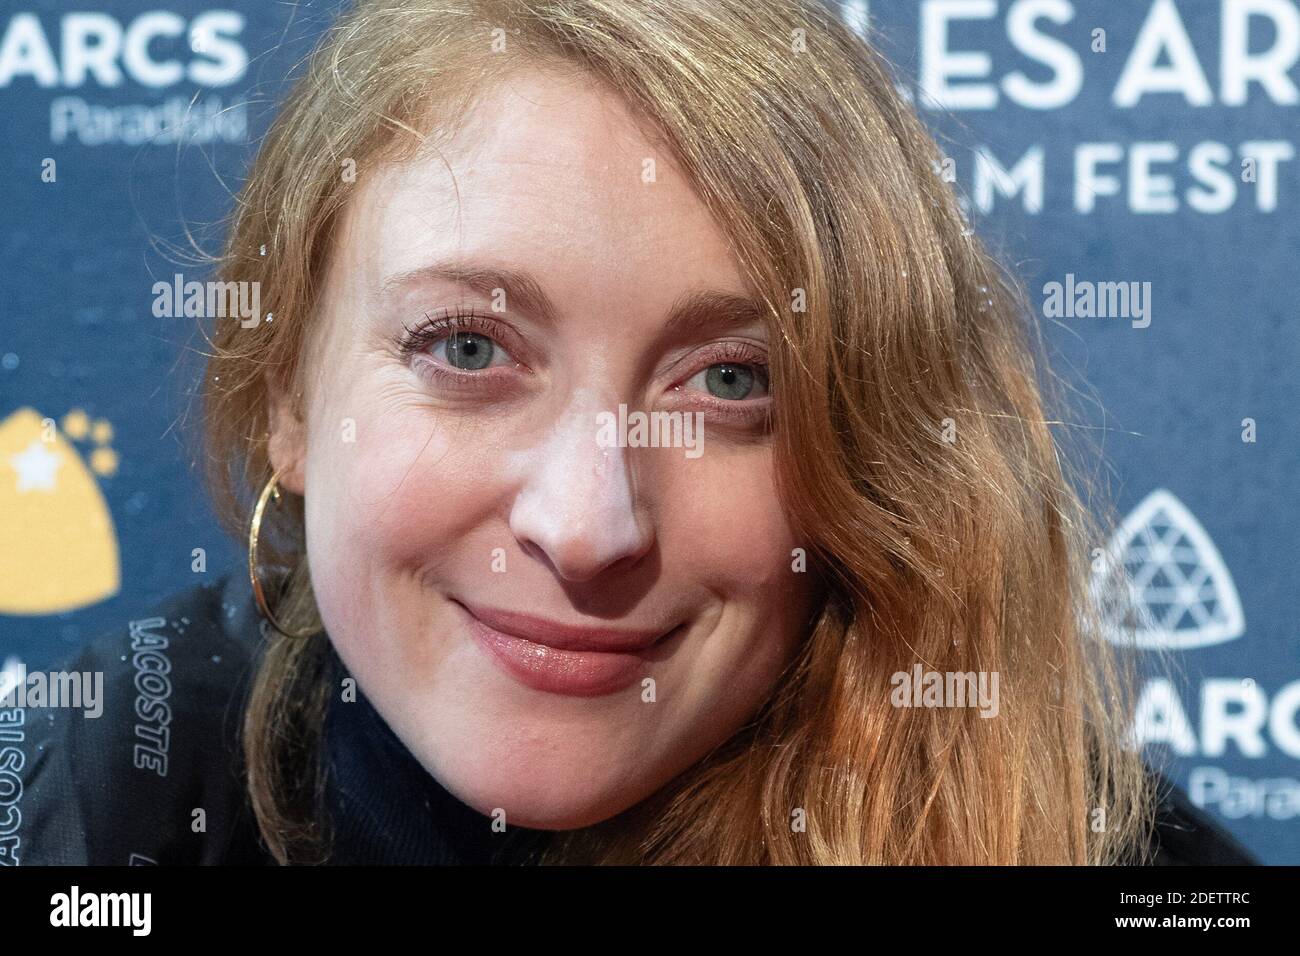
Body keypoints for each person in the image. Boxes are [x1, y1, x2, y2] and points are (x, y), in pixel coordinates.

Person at [7, 0, 1257, 866]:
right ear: (288, 398)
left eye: (727, 381)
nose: (588, 523)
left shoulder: (1068, 838)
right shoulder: (101, 791)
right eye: (467, 349)